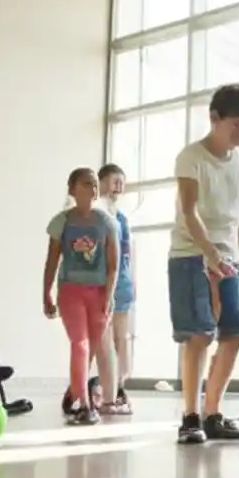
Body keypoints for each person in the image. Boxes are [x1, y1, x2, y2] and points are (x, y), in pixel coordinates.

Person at [169, 84, 239, 444]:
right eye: (236, 126)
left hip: (229, 258)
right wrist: (210, 254)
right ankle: (190, 417)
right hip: (192, 254)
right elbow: (189, 211)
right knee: (199, 335)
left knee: (234, 334)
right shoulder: (191, 157)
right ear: (215, 118)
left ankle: (213, 414)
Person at [43, 168, 120, 425]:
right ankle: (86, 406)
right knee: (80, 344)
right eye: (86, 184)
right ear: (72, 189)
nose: (93, 189)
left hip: (99, 293)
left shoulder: (107, 222)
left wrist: (108, 297)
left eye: (95, 184)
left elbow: (113, 266)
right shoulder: (61, 222)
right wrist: (46, 294)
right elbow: (52, 261)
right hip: (71, 291)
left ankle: (74, 392)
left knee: (90, 350)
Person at [94, 163, 133, 414]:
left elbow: (127, 252)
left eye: (121, 181)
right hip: (101, 283)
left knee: (122, 337)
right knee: (103, 338)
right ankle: (105, 388)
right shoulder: (94, 214)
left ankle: (119, 387)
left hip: (122, 284)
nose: (118, 185)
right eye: (113, 180)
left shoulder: (121, 218)